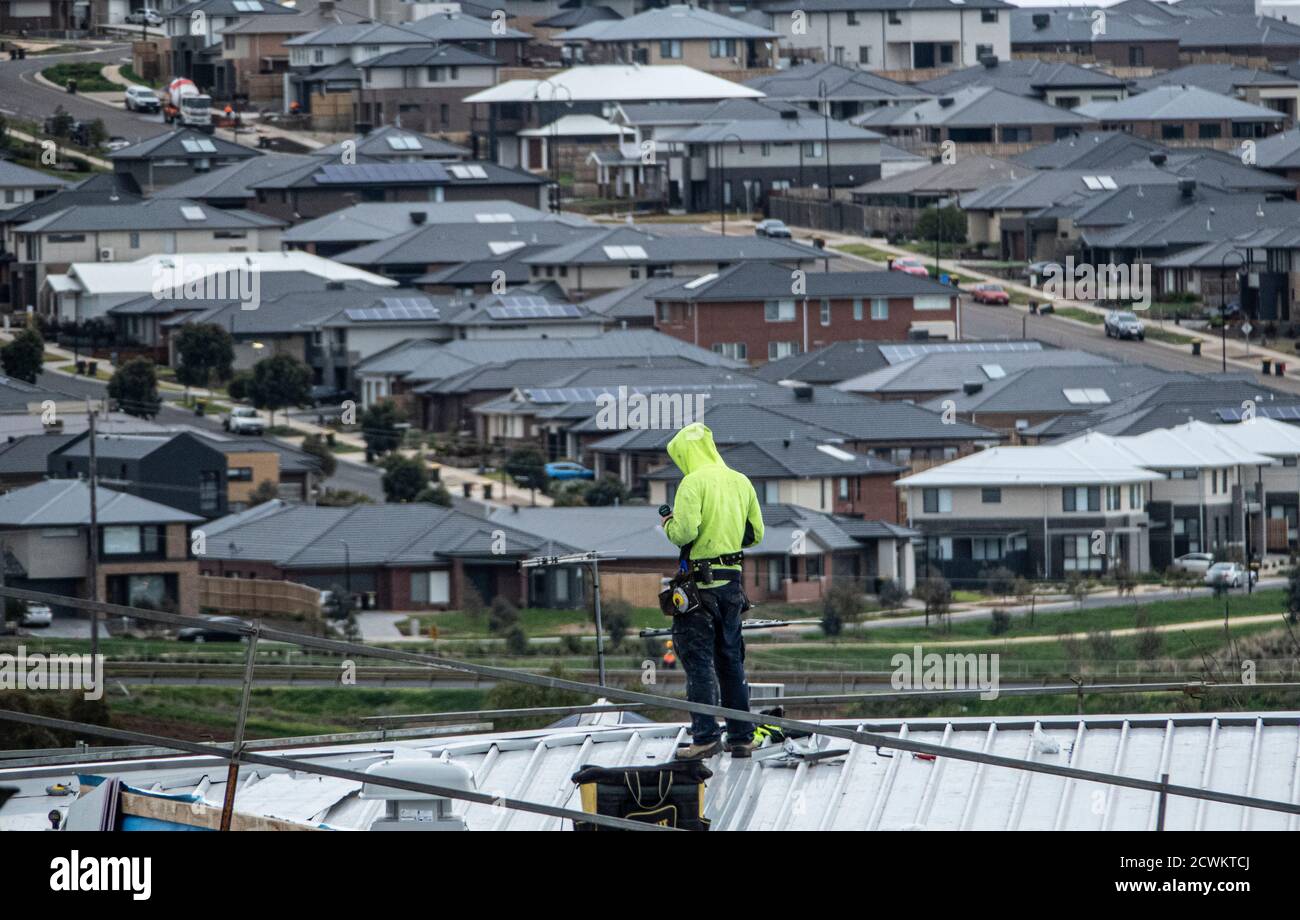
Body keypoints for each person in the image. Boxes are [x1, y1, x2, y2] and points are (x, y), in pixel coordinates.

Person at [660, 422, 763, 760]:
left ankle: (705, 737)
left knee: (699, 660)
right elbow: (755, 534)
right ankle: (741, 736)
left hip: (699, 590)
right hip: (732, 586)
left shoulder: (692, 482)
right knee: (731, 659)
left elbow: (685, 531)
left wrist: (668, 525)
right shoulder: (741, 481)